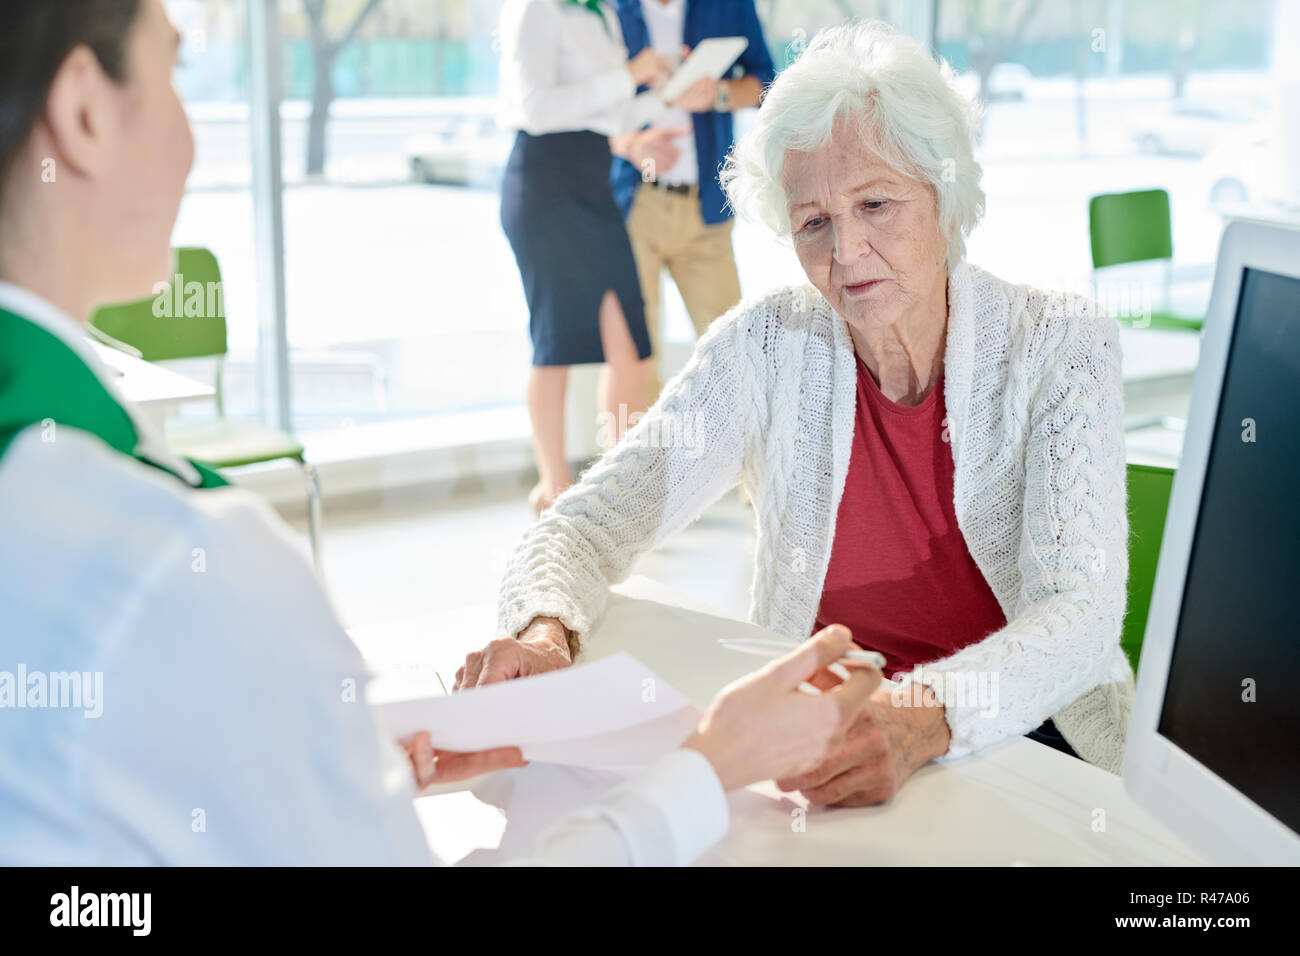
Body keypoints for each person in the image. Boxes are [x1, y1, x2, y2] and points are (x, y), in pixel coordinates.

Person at [0, 0, 880, 866]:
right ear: (83, 111)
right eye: (175, 69)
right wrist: (710, 767)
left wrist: (319, 764)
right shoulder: (181, 560)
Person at [457, 21, 1136, 805]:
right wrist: (546, 631)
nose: (845, 253)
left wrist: (921, 716)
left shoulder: (1062, 345)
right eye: (813, 222)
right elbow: (585, 526)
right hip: (828, 756)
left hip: (1032, 752)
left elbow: (1079, 617)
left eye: (876, 204)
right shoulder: (765, 346)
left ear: (945, 199)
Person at [497, 0, 667, 515]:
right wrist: (627, 75)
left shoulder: (602, 13)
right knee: (555, 345)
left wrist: (659, 96)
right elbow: (535, 108)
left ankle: (613, 491)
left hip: (595, 189)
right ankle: (554, 490)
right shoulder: (534, 9)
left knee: (632, 351)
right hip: (545, 188)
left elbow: (610, 116)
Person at [609, 0, 776, 406]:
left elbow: (768, 83)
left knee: (732, 357)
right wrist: (630, 145)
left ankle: (740, 470)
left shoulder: (728, 5)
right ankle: (632, 470)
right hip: (633, 208)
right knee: (633, 361)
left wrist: (719, 94)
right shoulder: (609, 10)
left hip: (706, 211)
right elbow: (580, 106)